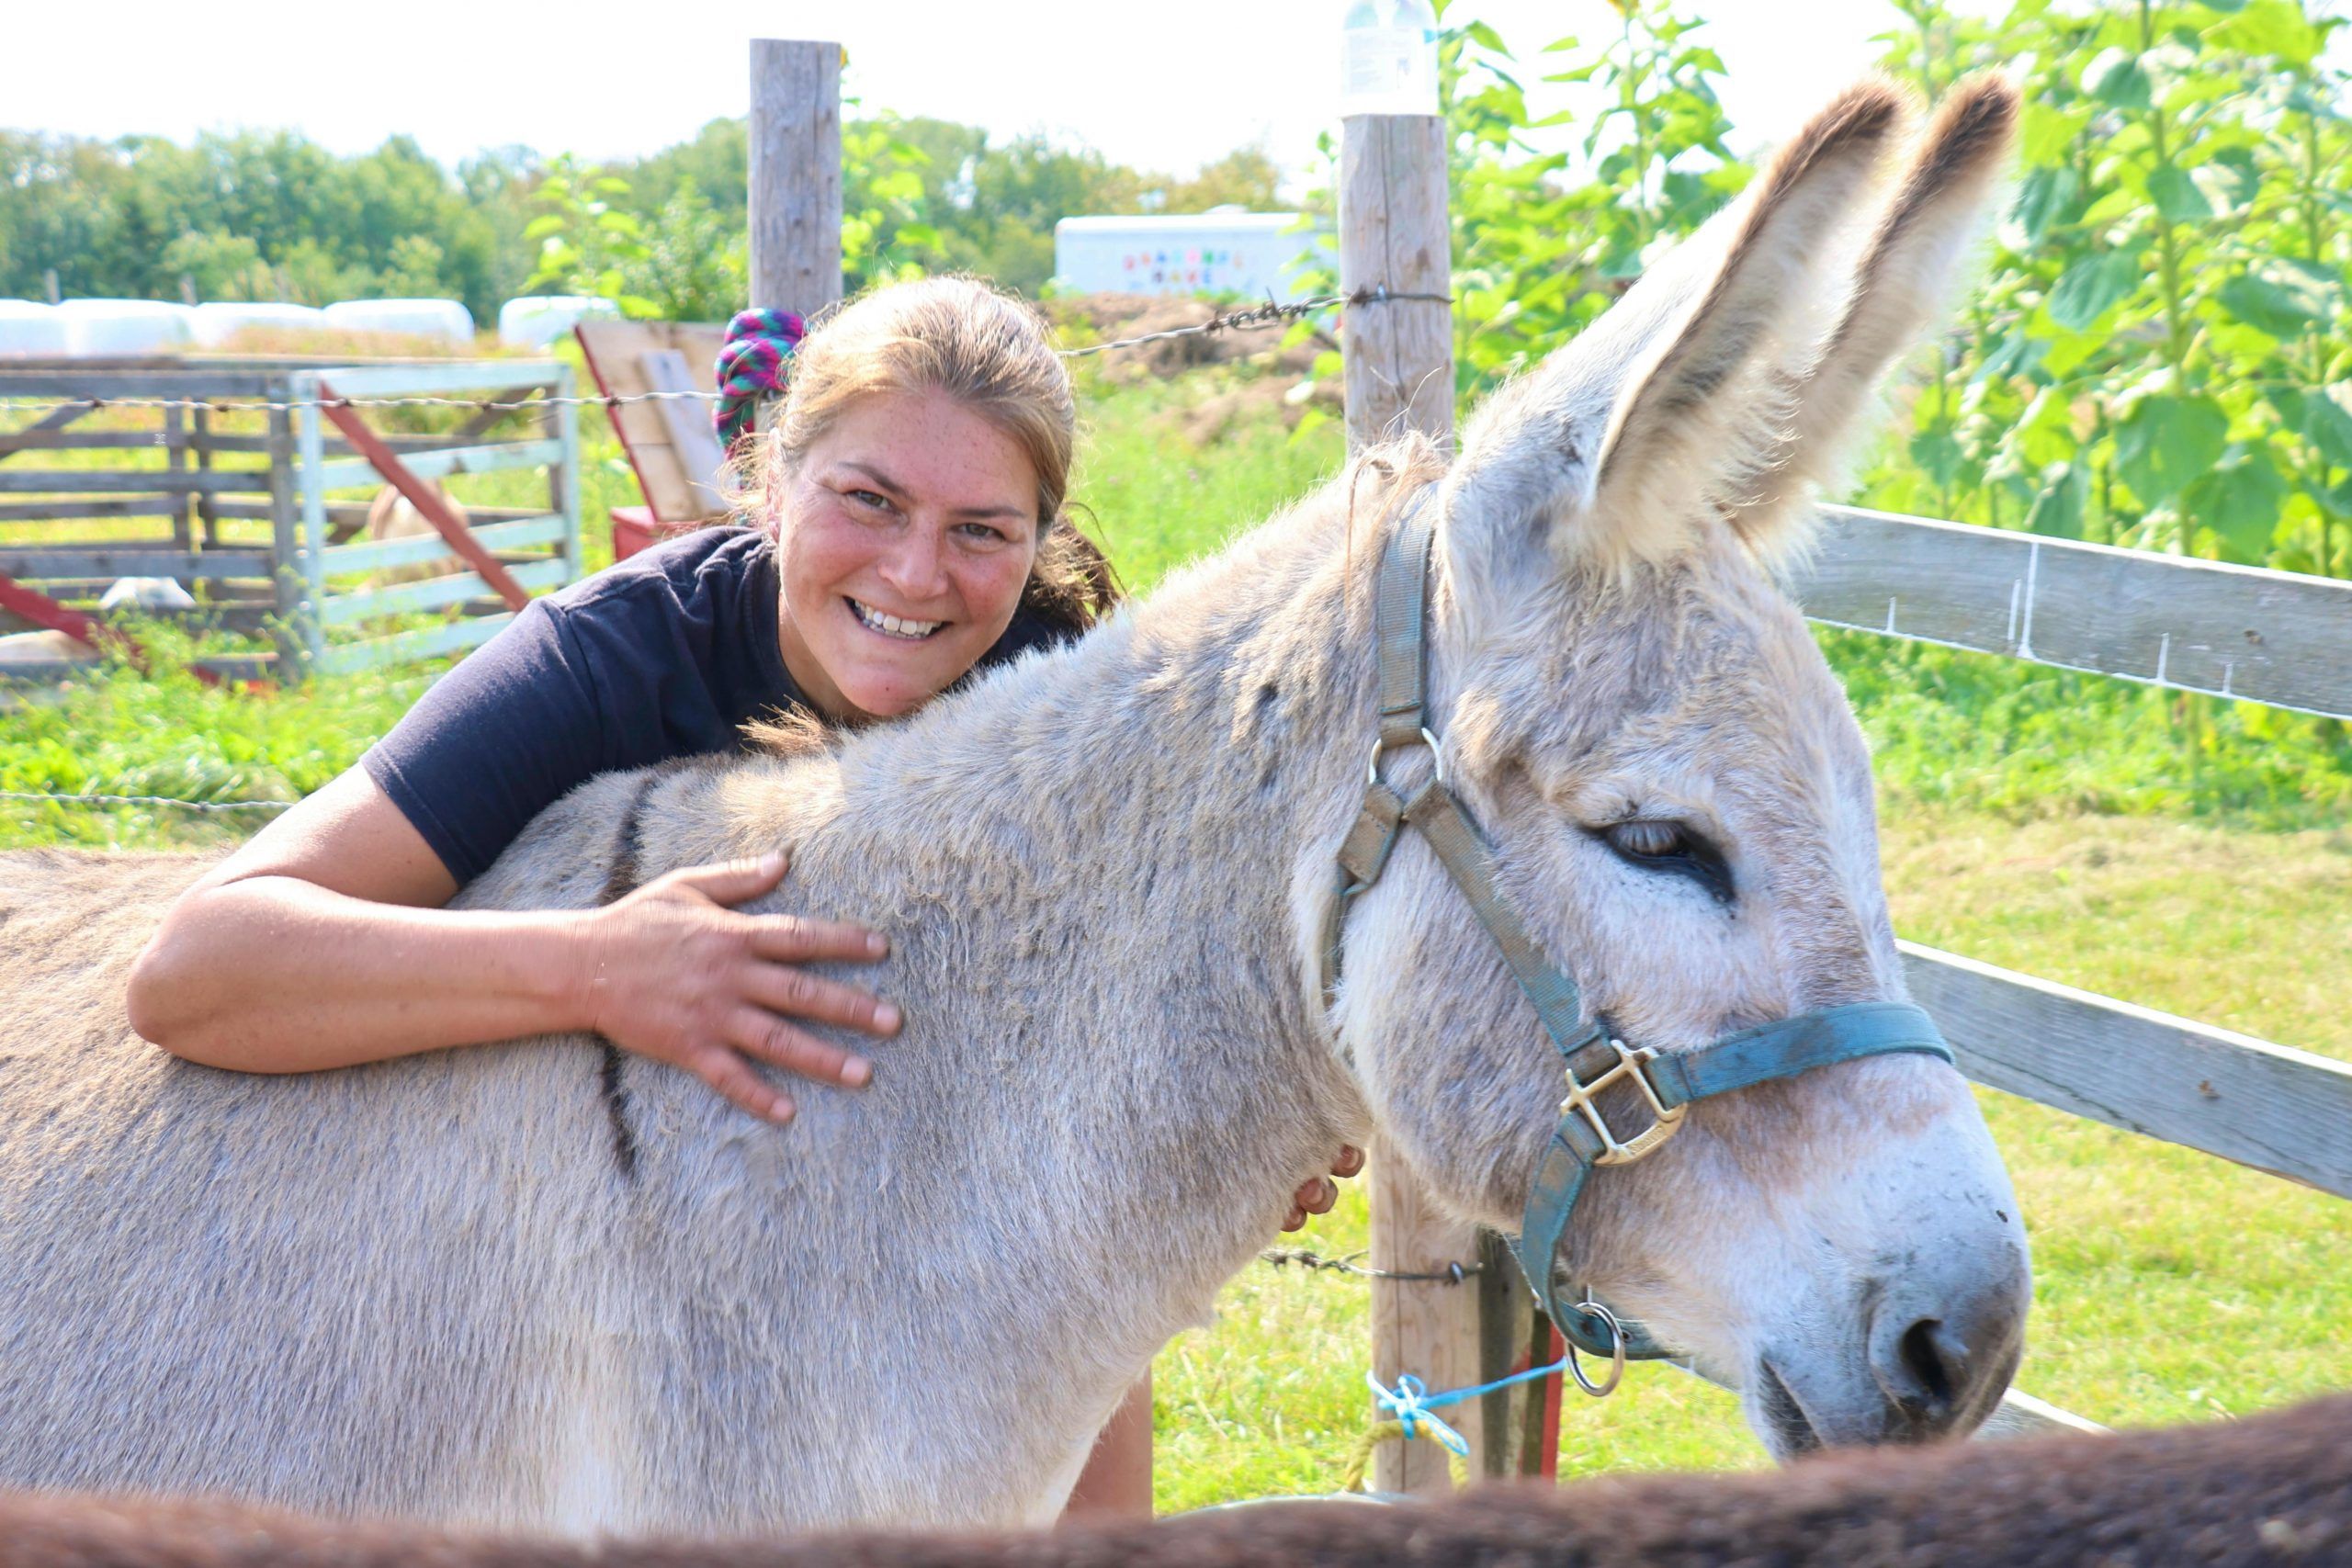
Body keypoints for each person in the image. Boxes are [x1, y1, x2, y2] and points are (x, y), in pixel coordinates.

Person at [124, 276, 1361, 1518]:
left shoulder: (1054, 698)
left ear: (1039, 539)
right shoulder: (610, 659)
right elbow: (200, 969)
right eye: (868, 501)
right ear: (772, 480)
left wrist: (1249, 1134)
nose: (917, 575)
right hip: (547, 1264)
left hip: (922, 1243)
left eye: (983, 530)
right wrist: (596, 971)